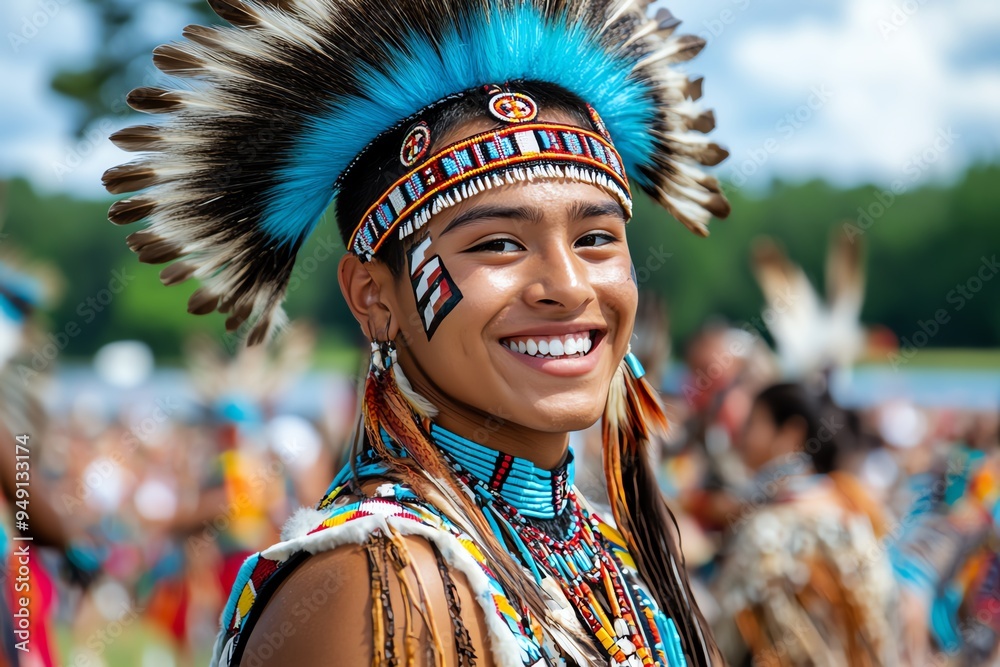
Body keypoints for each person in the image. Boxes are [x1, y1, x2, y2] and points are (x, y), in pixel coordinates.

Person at [103, 0, 731, 664]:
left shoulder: (612, 552)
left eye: (596, 238)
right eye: (498, 244)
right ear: (375, 297)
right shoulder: (374, 582)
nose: (570, 286)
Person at [712, 383, 898, 666]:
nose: (742, 435)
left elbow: (725, 644)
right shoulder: (852, 508)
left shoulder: (768, 529)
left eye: (753, 422)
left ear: (791, 433)